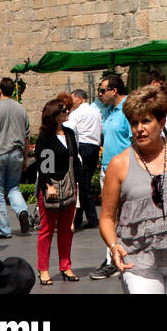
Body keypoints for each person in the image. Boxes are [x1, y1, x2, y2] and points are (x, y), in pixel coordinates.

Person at [100, 84, 167, 294]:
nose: (139, 129)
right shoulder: (119, 164)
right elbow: (107, 217)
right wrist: (113, 245)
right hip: (138, 261)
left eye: (146, 121)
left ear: (162, 122)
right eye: (134, 123)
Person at [34, 97, 81, 285]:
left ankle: (65, 266)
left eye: (67, 110)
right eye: (64, 111)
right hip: (51, 187)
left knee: (66, 230)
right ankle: (43, 269)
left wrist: (78, 183)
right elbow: (43, 164)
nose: (67, 113)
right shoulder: (45, 137)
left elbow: (74, 160)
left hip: (69, 186)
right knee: (46, 230)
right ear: (54, 115)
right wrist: (48, 185)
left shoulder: (69, 133)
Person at [90, 74, 132, 279]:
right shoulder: (110, 111)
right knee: (112, 216)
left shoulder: (127, 111)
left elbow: (135, 140)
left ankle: (112, 260)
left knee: (116, 216)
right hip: (108, 170)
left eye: (102, 90)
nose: (100, 94)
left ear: (114, 90)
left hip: (123, 171)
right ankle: (113, 255)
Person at [0, 76, 31, 240]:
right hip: (17, 152)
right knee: (13, 187)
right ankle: (22, 210)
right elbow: (27, 137)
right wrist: (25, 158)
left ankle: (4, 229)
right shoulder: (21, 109)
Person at [68, 89, 103, 231]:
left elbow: (69, 129)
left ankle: (92, 217)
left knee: (81, 185)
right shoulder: (96, 112)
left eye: (73, 99)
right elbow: (100, 131)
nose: (71, 103)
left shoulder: (76, 114)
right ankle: (78, 217)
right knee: (84, 182)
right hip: (94, 148)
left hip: (82, 148)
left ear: (80, 98)